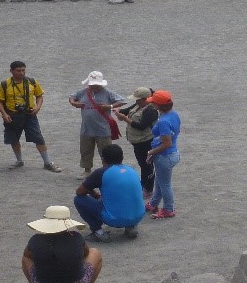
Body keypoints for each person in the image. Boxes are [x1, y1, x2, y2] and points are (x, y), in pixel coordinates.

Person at [0, 60, 61, 172]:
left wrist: (37, 107)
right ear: (11, 71)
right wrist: (4, 114)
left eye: (23, 70)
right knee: (13, 139)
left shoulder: (31, 81)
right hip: (12, 115)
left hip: (29, 114)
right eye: (18, 70)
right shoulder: (5, 84)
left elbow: (39, 96)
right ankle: (19, 160)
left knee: (38, 138)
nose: (21, 73)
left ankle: (47, 162)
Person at [22, 205, 102, 283]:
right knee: (95, 252)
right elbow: (86, 254)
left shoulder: (35, 239)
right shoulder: (76, 237)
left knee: (25, 259)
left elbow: (27, 255)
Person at [73, 143, 144, 242]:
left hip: (114, 219)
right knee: (125, 197)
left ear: (103, 159)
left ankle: (98, 232)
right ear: (122, 157)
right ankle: (130, 226)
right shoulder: (131, 170)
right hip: (138, 216)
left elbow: (79, 192)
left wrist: (92, 192)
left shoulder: (101, 172)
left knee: (79, 200)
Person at [68, 71, 125, 174]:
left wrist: (109, 106)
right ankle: (87, 170)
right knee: (85, 151)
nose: (94, 87)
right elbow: (72, 96)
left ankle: (107, 171)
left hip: (103, 130)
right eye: (92, 85)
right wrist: (74, 103)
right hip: (86, 129)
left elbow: (122, 100)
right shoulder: (83, 92)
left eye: (96, 85)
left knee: (105, 152)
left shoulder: (108, 93)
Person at [114, 88, 158, 197]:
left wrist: (124, 118)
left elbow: (142, 126)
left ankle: (148, 189)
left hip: (146, 141)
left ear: (145, 99)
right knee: (142, 164)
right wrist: (115, 109)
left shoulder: (151, 110)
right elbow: (125, 111)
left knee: (147, 166)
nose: (136, 101)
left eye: (138, 99)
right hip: (137, 142)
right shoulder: (138, 105)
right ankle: (144, 185)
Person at [146, 90, 181, 219]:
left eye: (153, 103)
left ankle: (168, 209)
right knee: (160, 181)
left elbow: (166, 144)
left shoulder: (163, 121)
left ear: (159, 105)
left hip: (164, 156)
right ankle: (154, 203)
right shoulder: (174, 115)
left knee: (164, 184)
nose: (151, 105)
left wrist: (151, 152)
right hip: (172, 154)